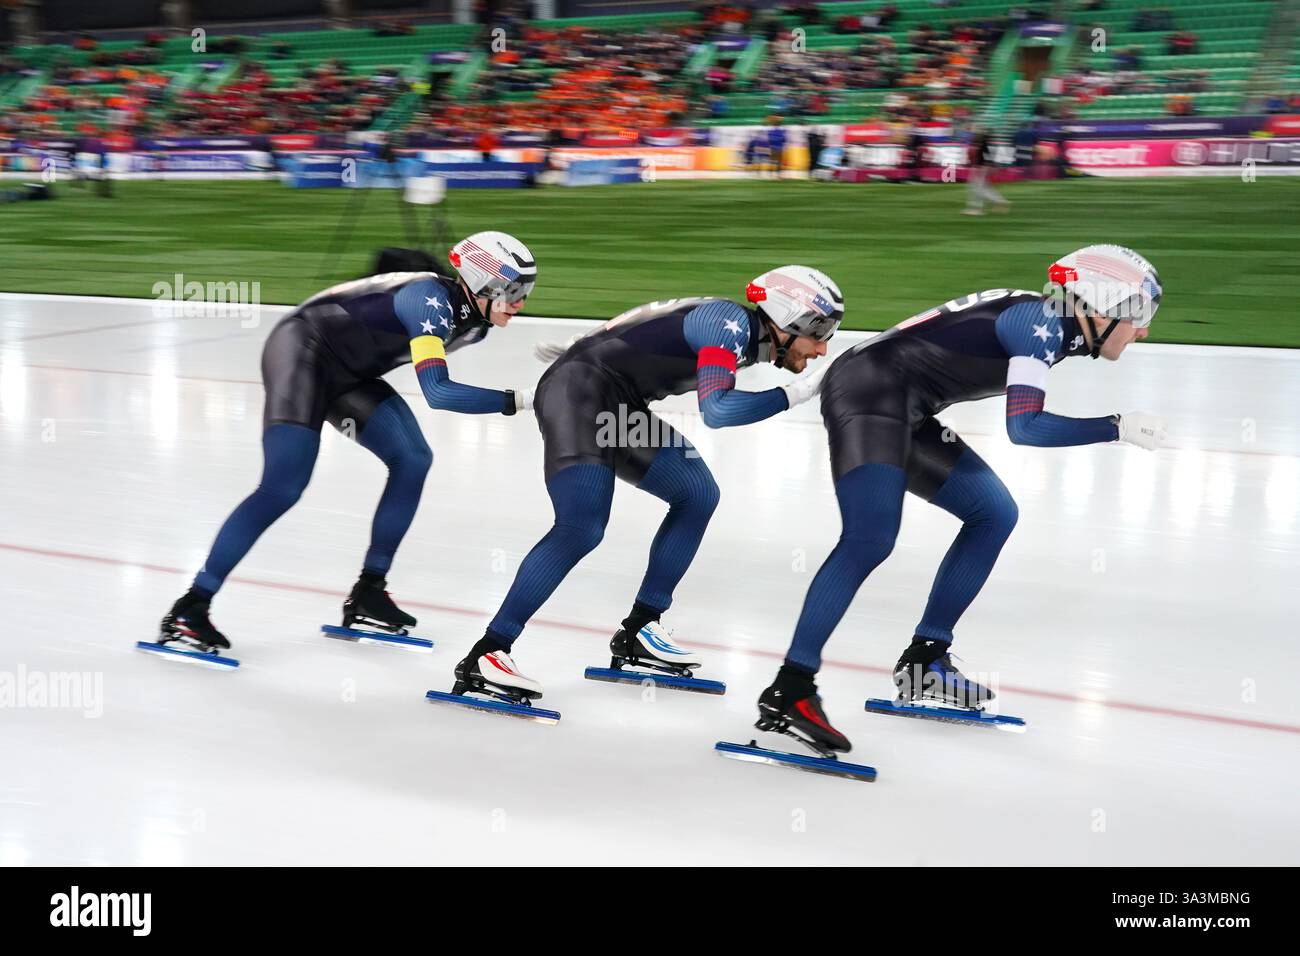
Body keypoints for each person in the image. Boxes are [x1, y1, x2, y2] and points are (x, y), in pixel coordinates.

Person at [754, 245, 1167, 756]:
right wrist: (1116, 427)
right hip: (869, 393)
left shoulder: (1050, 323)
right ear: (1102, 304)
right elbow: (1026, 426)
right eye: (1139, 315)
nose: (1144, 330)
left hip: (900, 400)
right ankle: (790, 689)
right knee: (869, 539)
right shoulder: (1041, 324)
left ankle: (926, 660)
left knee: (993, 513)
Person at [447, 267, 845, 706]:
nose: (824, 346)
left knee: (697, 494)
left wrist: (591, 347)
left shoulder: (739, 330)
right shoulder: (728, 326)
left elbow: (651, 318)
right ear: (786, 320)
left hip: (616, 403)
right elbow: (718, 410)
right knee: (581, 527)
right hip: (579, 394)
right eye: (819, 331)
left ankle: (640, 628)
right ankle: (488, 652)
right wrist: (799, 393)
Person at [156, 232, 539, 655]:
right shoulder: (429, 299)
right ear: (481, 284)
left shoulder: (475, 327)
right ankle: (191, 606)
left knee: (412, 459)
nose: (520, 302)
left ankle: (370, 590)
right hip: (301, 351)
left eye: (526, 291)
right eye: (513, 291)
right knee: (282, 487)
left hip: (348, 374)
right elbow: (439, 392)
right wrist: (524, 401)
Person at [964, 125, 1009, 215]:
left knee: (978, 188)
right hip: (980, 167)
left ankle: (977, 208)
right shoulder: (983, 143)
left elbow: (986, 157)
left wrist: (987, 167)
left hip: (981, 168)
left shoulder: (983, 143)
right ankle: (1000, 202)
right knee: (982, 188)